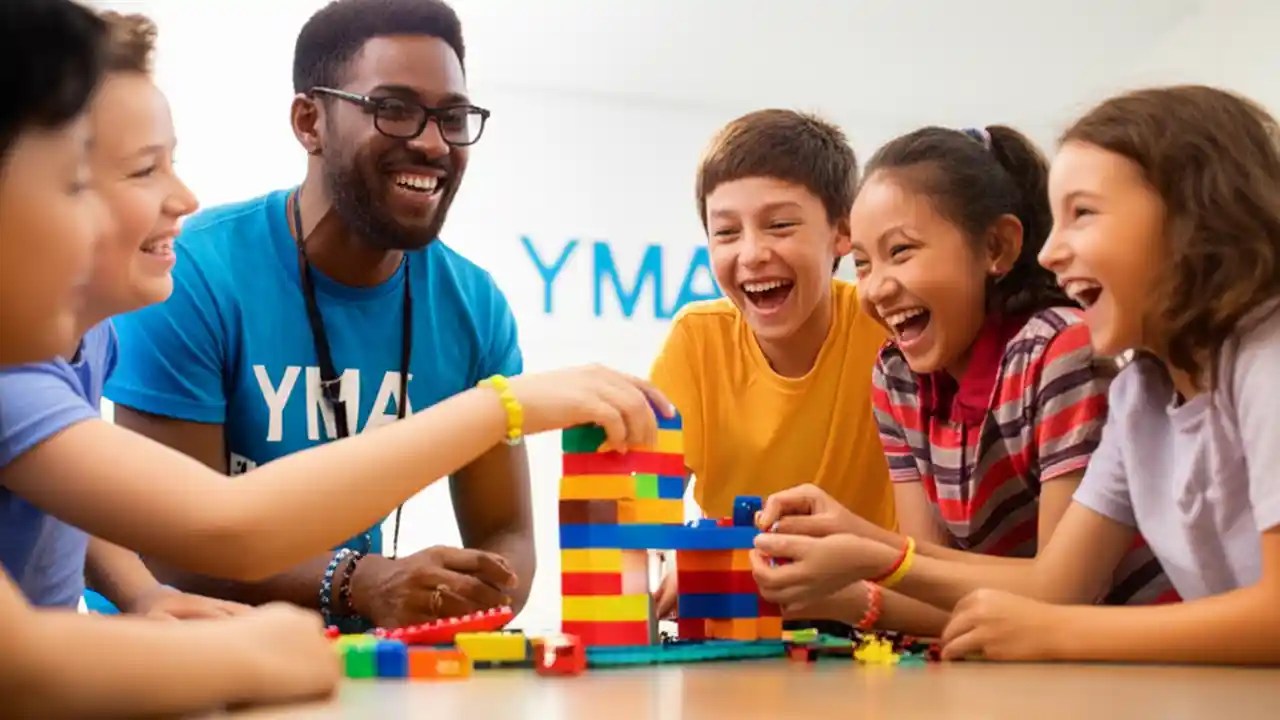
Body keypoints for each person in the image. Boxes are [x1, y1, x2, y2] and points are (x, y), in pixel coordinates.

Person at [752, 85, 1280, 665]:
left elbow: (1061, 607)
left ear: (1192, 220)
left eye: (1083, 213)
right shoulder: (1141, 395)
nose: (1050, 252)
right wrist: (864, 547)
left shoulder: (1266, 358)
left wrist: (1053, 634)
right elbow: (1055, 584)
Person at [105, 0, 535, 631]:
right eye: (393, 109)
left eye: (452, 117)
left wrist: (470, 592)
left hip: (339, 660)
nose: (431, 142)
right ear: (310, 122)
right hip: (166, 656)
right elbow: (170, 544)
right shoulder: (189, 273)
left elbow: (507, 531)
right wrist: (360, 582)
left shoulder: (475, 306)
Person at [649, 109, 944, 631]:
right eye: (726, 232)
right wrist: (675, 555)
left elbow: (934, 558)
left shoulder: (889, 333)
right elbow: (645, 502)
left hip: (885, 623)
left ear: (843, 232)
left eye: (780, 225)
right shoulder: (697, 340)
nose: (752, 253)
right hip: (739, 630)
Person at [1, 12, 246, 619]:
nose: (186, 198)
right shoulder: (15, 375)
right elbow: (230, 523)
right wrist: (481, 411)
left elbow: (74, 492)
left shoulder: (94, 335)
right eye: (144, 169)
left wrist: (143, 593)